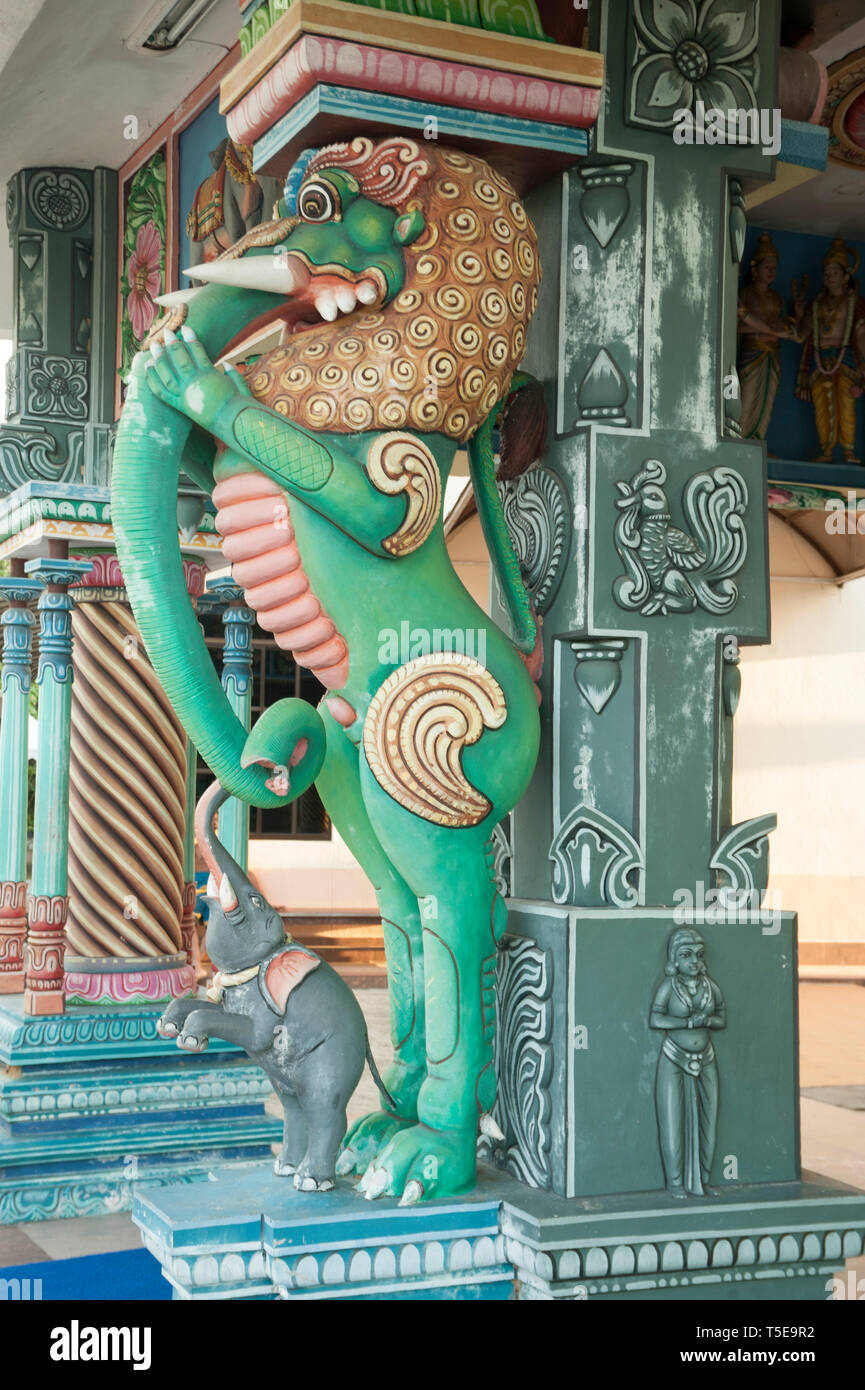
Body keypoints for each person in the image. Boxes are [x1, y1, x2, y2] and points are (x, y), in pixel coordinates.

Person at [649, 927, 726, 1198]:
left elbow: (721, 1019)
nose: (694, 961)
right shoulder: (669, 987)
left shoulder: (710, 987)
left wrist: (707, 1021)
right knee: (672, 1123)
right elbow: (656, 1020)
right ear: (674, 960)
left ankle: (702, 1180)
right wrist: (686, 1022)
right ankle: (675, 1182)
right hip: (674, 1056)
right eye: (686, 955)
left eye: (699, 955)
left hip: (706, 1058)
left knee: (709, 1123)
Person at [793, 237, 865, 463]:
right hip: (819, 359)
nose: (829, 276)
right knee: (822, 406)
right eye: (826, 272)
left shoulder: (855, 303)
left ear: (846, 277)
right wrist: (797, 314)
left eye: (835, 272)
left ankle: (848, 451)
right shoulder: (816, 304)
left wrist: (863, 361)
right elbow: (802, 334)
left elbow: (861, 333)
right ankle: (826, 451)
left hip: (845, 359)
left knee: (845, 403)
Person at [737, 232, 795, 441]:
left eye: (774, 268)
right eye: (766, 267)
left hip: (773, 357)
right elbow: (736, 327)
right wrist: (766, 329)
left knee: (767, 400)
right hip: (752, 353)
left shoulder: (777, 298)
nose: (771, 272)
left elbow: (787, 325)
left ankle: (758, 439)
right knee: (748, 396)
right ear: (755, 269)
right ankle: (741, 438)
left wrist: (785, 325)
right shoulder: (745, 294)